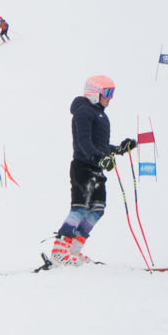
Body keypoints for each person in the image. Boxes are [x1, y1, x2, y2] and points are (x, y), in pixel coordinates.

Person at [49, 77, 138, 266]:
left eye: (112, 93)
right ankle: (59, 251)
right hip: (83, 167)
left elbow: (100, 145)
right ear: (94, 93)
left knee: (98, 209)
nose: (110, 98)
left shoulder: (100, 114)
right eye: (107, 93)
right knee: (80, 208)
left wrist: (119, 149)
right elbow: (84, 141)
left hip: (96, 169)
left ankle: (73, 250)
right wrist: (99, 158)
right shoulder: (83, 112)